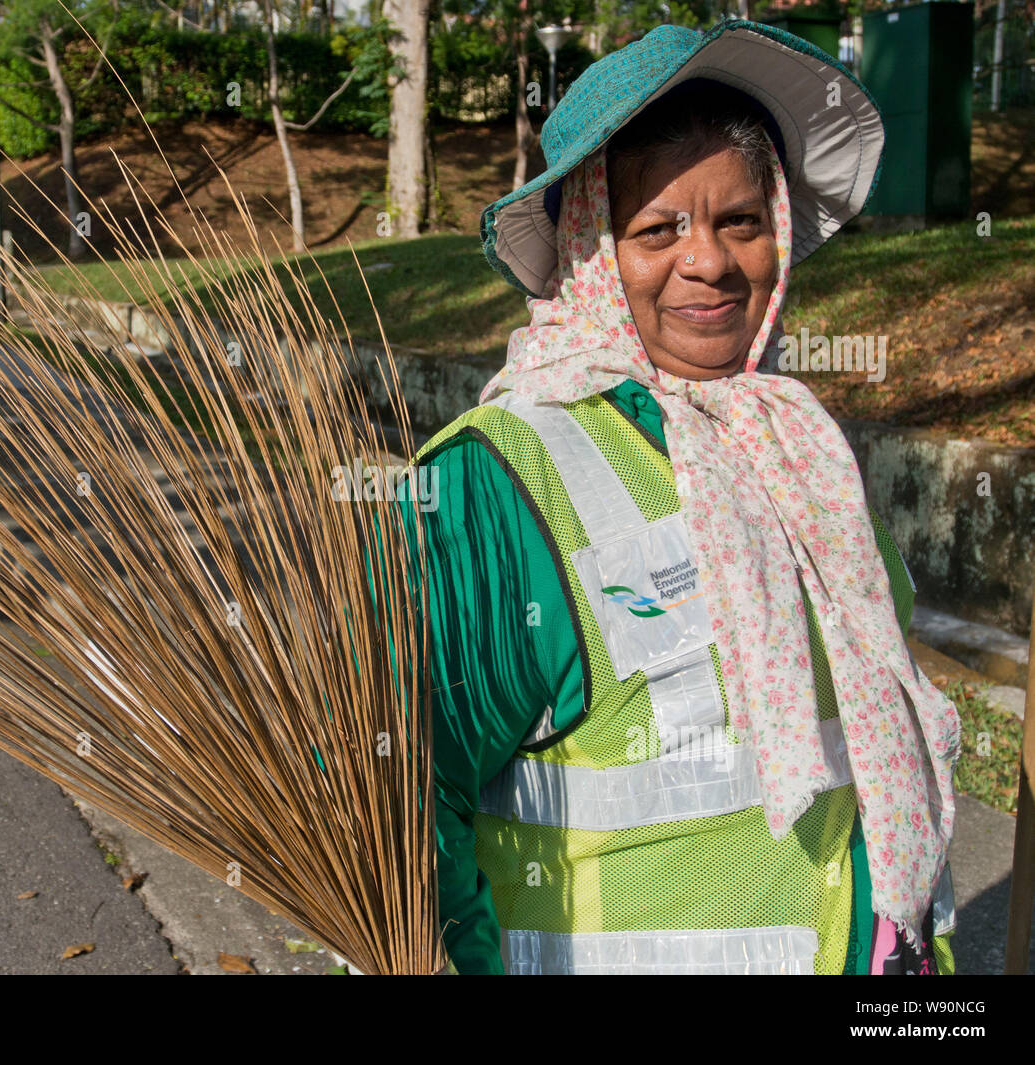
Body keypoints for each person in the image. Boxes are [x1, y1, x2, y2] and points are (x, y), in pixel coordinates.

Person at [396, 20, 961, 975]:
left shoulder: (795, 446)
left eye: (739, 221)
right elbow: (398, 788)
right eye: (657, 229)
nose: (709, 262)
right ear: (587, 248)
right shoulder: (493, 485)